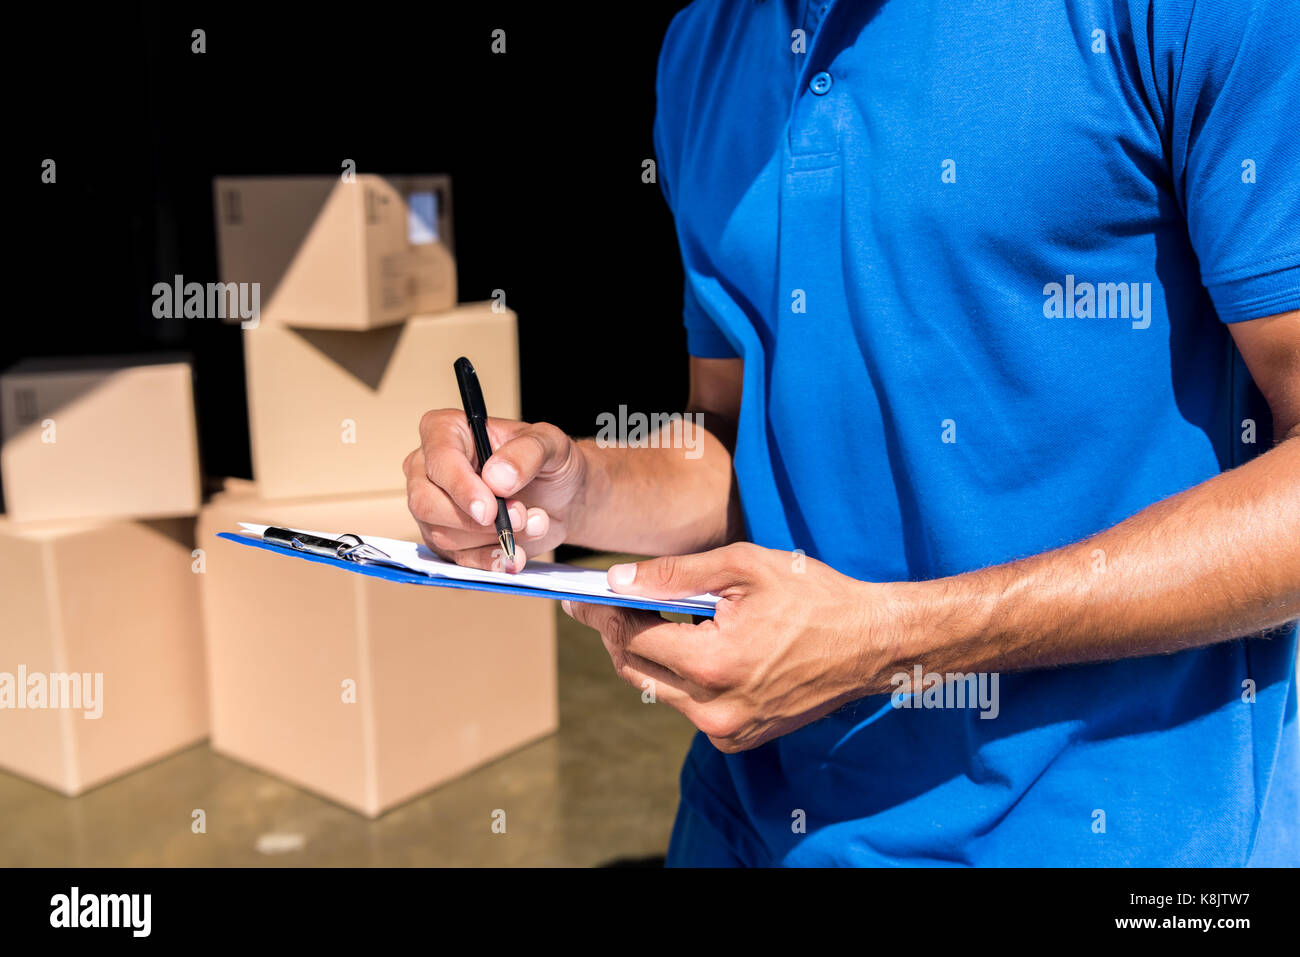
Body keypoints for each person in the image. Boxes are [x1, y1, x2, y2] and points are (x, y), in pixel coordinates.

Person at [406, 0, 1300, 865]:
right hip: (745, 820)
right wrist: (579, 490)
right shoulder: (700, 47)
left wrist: (887, 640)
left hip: (1105, 828)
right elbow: (735, 441)